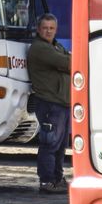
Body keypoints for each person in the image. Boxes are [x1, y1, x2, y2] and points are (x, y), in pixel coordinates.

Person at [29, 13, 70, 194]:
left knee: (60, 146)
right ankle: (47, 181)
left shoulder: (55, 46)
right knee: (50, 144)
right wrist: (71, 59)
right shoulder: (40, 48)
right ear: (39, 29)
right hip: (50, 103)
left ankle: (57, 178)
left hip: (61, 103)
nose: (48, 31)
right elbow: (69, 62)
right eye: (45, 28)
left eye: (51, 28)